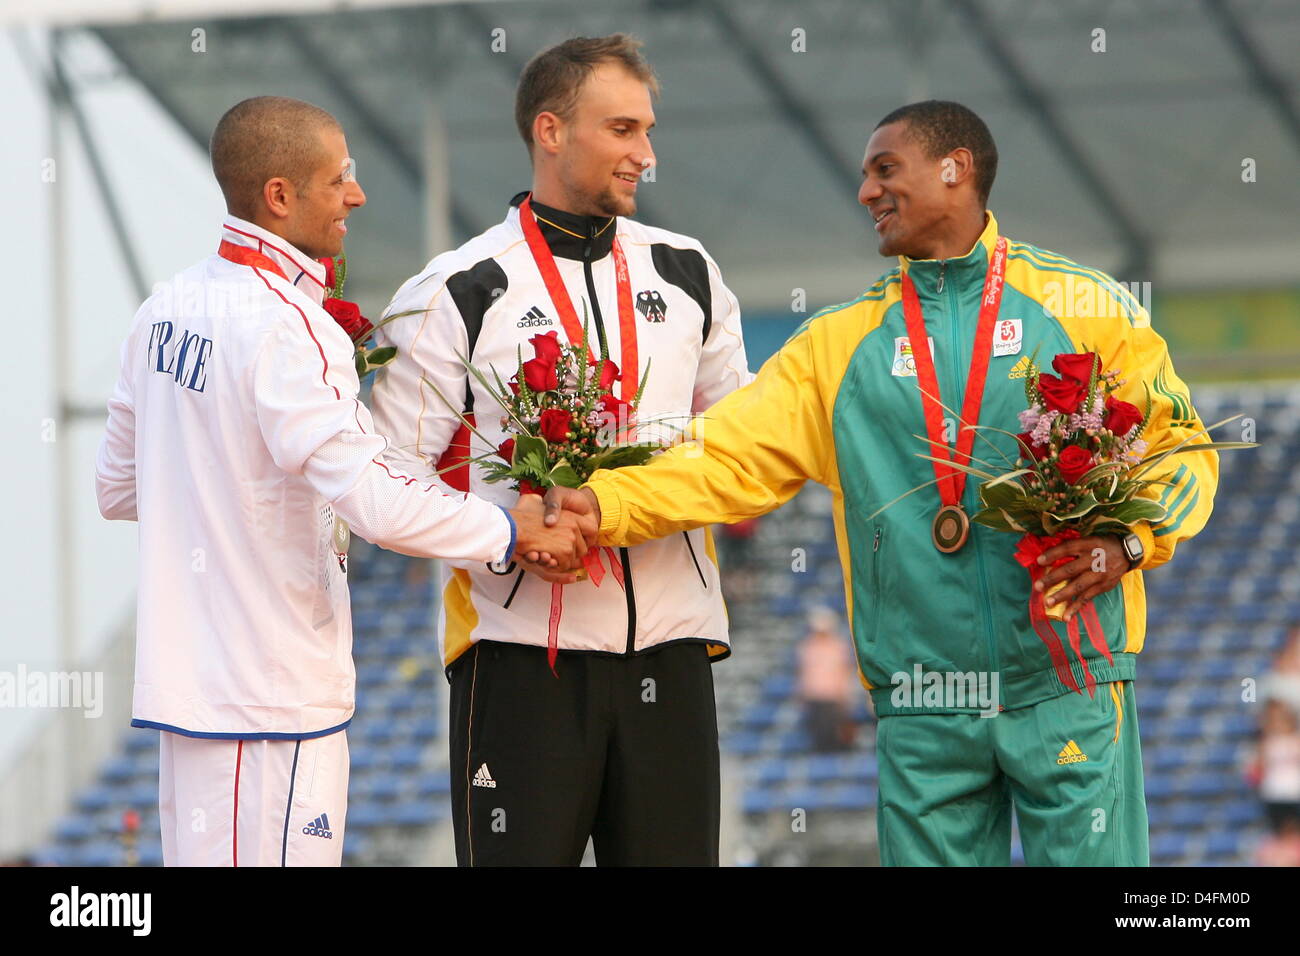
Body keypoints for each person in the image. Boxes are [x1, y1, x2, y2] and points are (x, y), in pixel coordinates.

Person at [546, 100, 1220, 866]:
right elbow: (726, 456)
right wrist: (602, 504)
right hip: (924, 700)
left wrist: (1127, 544)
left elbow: (1182, 450)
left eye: (884, 169)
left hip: (1067, 679)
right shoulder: (837, 344)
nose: (865, 191)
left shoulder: (1082, 306)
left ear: (954, 169)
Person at [94, 96, 586, 867]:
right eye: (339, 178)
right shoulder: (290, 324)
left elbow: (118, 486)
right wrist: (506, 529)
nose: (356, 195)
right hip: (271, 693)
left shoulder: (166, 305)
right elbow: (376, 498)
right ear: (280, 196)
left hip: (192, 695)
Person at [368, 35, 750, 866]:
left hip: (674, 654)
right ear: (550, 130)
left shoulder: (688, 272)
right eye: (622, 130)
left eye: (647, 131)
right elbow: (382, 481)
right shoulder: (457, 287)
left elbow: (740, 454)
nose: (645, 154)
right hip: (518, 665)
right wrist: (507, 532)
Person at [798, 608, 858, 752]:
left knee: (833, 733)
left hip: (833, 698)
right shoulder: (808, 647)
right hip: (815, 697)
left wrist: (846, 697)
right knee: (819, 734)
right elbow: (803, 674)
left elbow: (844, 674)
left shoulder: (838, 647)